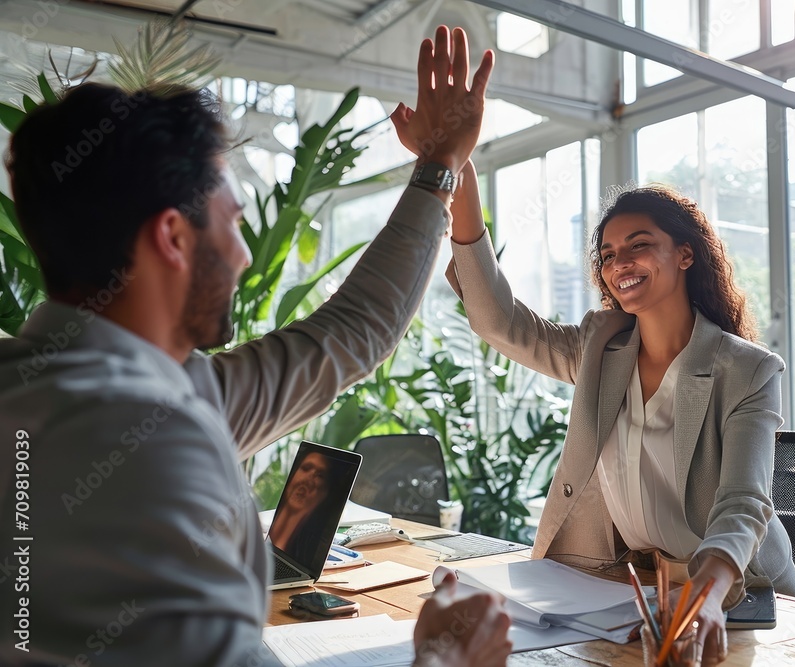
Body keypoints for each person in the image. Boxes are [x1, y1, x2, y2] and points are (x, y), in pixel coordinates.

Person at [0, 26, 511, 667]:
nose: (244, 255)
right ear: (173, 238)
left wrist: (439, 169)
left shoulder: (162, 388)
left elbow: (351, 332)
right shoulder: (156, 441)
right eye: (233, 221)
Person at [433, 166, 795, 666]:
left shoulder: (747, 369)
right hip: (626, 594)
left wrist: (709, 597)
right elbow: (501, 323)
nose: (619, 262)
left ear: (685, 253)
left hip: (739, 595)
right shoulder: (599, 348)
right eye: (608, 254)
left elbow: (744, 503)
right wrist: (459, 171)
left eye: (638, 245)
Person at [268, 452, 333, 564]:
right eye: (306, 468)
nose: (309, 479)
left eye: (320, 475)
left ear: (325, 493)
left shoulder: (307, 554)